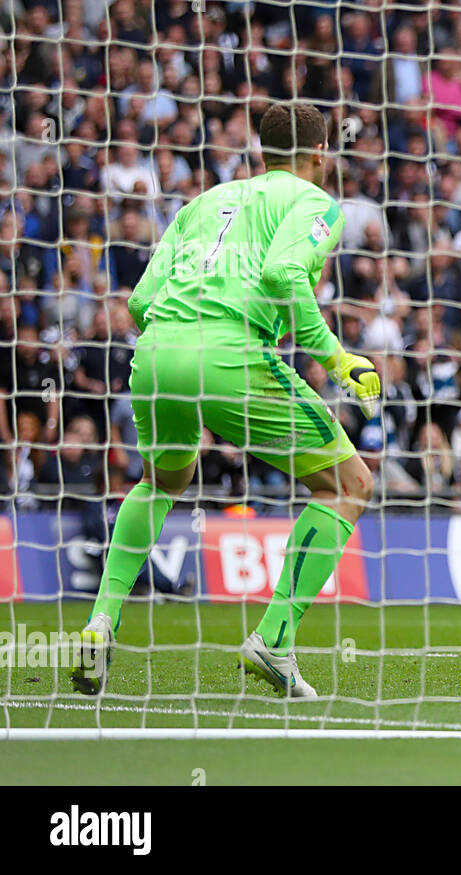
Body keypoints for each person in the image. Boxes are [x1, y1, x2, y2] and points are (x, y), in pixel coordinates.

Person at [72, 104, 382, 699]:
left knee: (162, 482)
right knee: (349, 485)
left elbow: (139, 302)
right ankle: (275, 640)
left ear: (263, 152)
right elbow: (284, 276)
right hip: (229, 356)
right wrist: (338, 359)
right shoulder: (314, 203)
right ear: (321, 154)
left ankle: (101, 620)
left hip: (157, 351)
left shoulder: (205, 201)